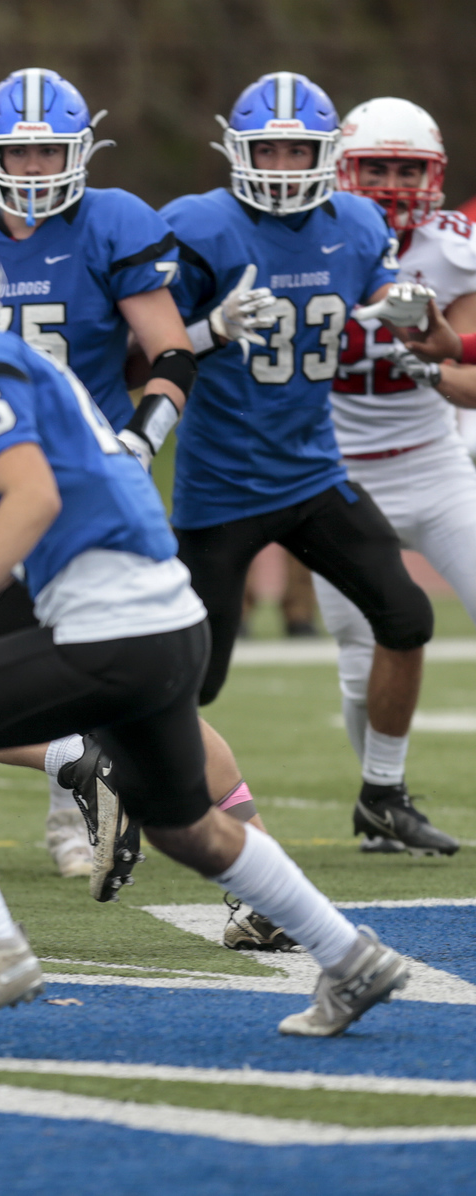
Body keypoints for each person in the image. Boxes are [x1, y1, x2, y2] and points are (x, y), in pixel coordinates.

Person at [0, 197, 410, 1039]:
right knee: (188, 830)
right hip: (168, 625)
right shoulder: (7, 356)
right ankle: (351, 956)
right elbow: (2, 531)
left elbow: (31, 500)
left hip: (112, 633)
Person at [159, 71, 447, 854]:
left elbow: (390, 292)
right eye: (268, 149)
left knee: (406, 614)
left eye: (298, 150)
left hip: (315, 476)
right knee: (193, 680)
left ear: (327, 156)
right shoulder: (197, 225)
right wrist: (209, 330)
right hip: (220, 490)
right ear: (237, 151)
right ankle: (120, 784)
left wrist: (406, 306)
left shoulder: (354, 223)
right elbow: (135, 339)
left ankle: (382, 797)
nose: (283, 164)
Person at [309, 97, 476, 854]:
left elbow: (469, 369)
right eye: (375, 166)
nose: (391, 183)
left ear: (435, 175)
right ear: (343, 169)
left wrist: (428, 363)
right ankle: (384, 801)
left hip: (434, 463)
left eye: (408, 168)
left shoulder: (452, 248)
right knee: (359, 653)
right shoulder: (305, 235)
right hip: (338, 472)